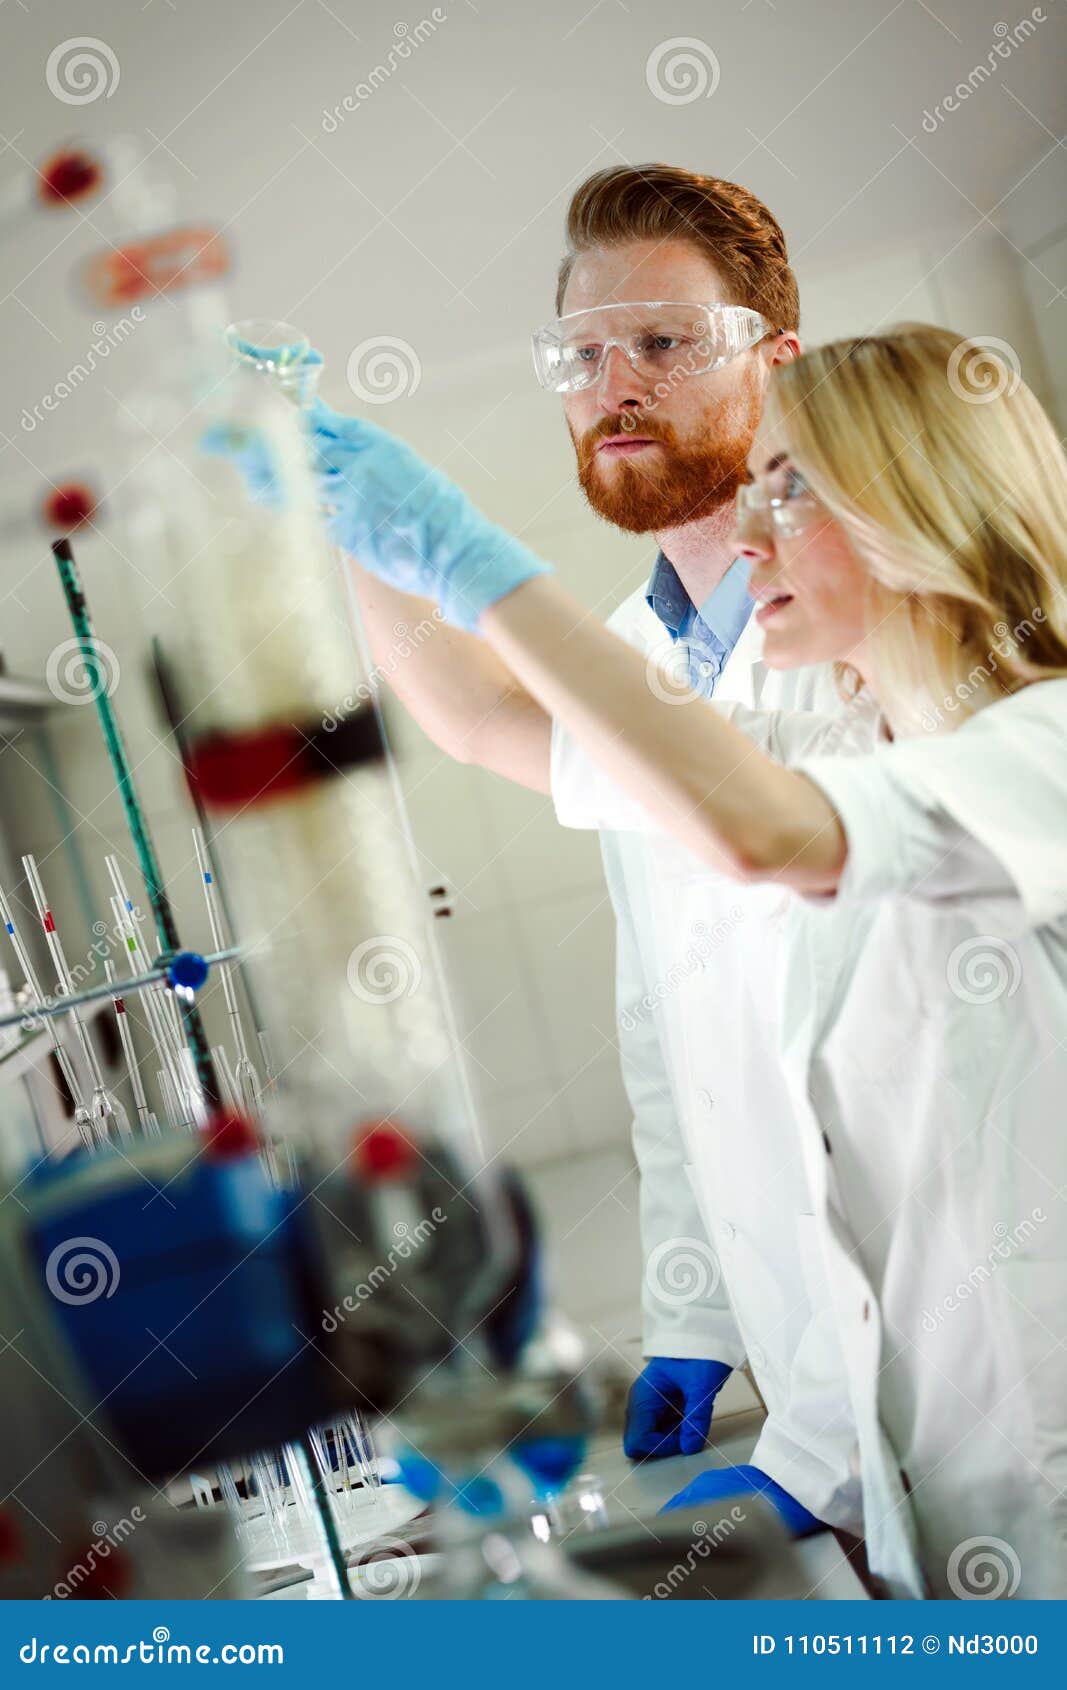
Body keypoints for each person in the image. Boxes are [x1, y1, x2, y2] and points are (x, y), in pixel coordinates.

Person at [316, 320, 1067, 1599]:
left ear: (917, 503)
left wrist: (474, 563)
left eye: (793, 489)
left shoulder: (1037, 743)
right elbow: (492, 721)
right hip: (938, 1506)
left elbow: (764, 830)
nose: (751, 535)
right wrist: (351, 533)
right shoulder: (831, 744)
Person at [331, 166, 865, 1543]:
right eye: (579, 354)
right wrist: (690, 1297)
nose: (611, 383)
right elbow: (668, 1026)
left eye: (663, 342)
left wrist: (829, 1440)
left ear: (775, 361)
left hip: (939, 1371)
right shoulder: (633, 656)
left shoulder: (877, 608)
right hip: (809, 1361)